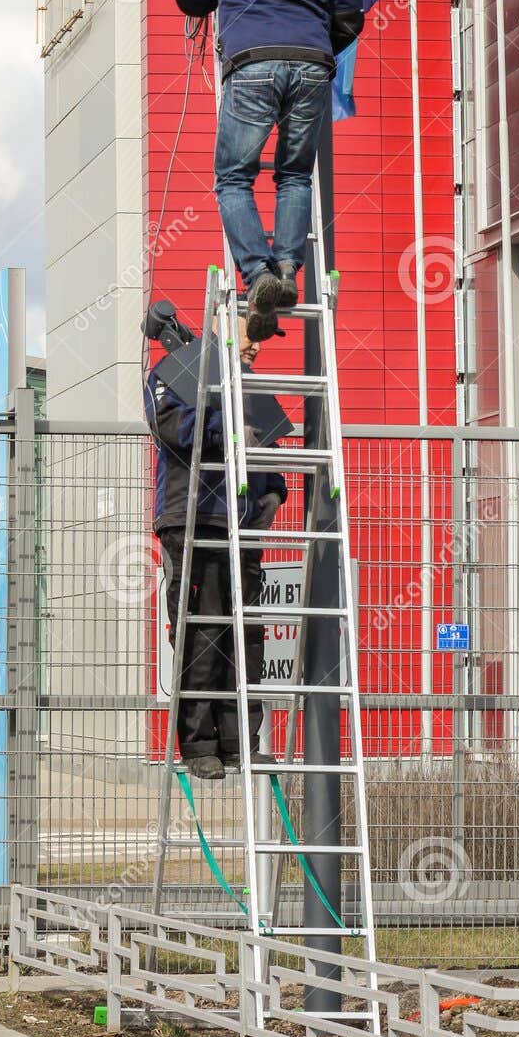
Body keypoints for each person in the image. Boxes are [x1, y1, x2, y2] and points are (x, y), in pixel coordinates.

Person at [173, 0, 364, 342]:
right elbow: (351, 17)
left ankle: (259, 274)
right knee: (295, 175)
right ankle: (287, 273)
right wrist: (314, 49)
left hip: (253, 62)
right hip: (312, 64)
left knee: (235, 177)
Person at [145, 317, 287, 780]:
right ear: (225, 326)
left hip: (240, 525)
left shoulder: (248, 384)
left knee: (245, 637)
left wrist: (273, 492)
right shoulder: (173, 373)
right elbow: (176, 430)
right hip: (192, 519)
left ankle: (241, 741)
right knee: (202, 632)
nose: (258, 347)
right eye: (253, 335)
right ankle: (199, 744)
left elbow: (265, 445)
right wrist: (227, 419)